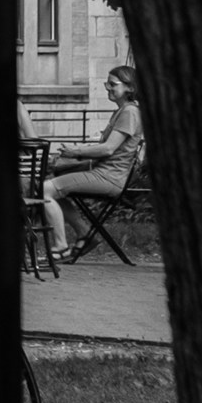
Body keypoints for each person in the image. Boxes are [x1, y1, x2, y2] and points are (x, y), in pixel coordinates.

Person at [42, 67, 144, 259]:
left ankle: (61, 246)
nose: (108, 88)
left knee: (45, 190)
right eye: (107, 83)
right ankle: (84, 234)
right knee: (53, 180)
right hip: (103, 172)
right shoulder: (122, 111)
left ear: (129, 87)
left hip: (108, 177)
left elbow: (108, 149)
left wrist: (76, 151)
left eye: (113, 84)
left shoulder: (129, 112)